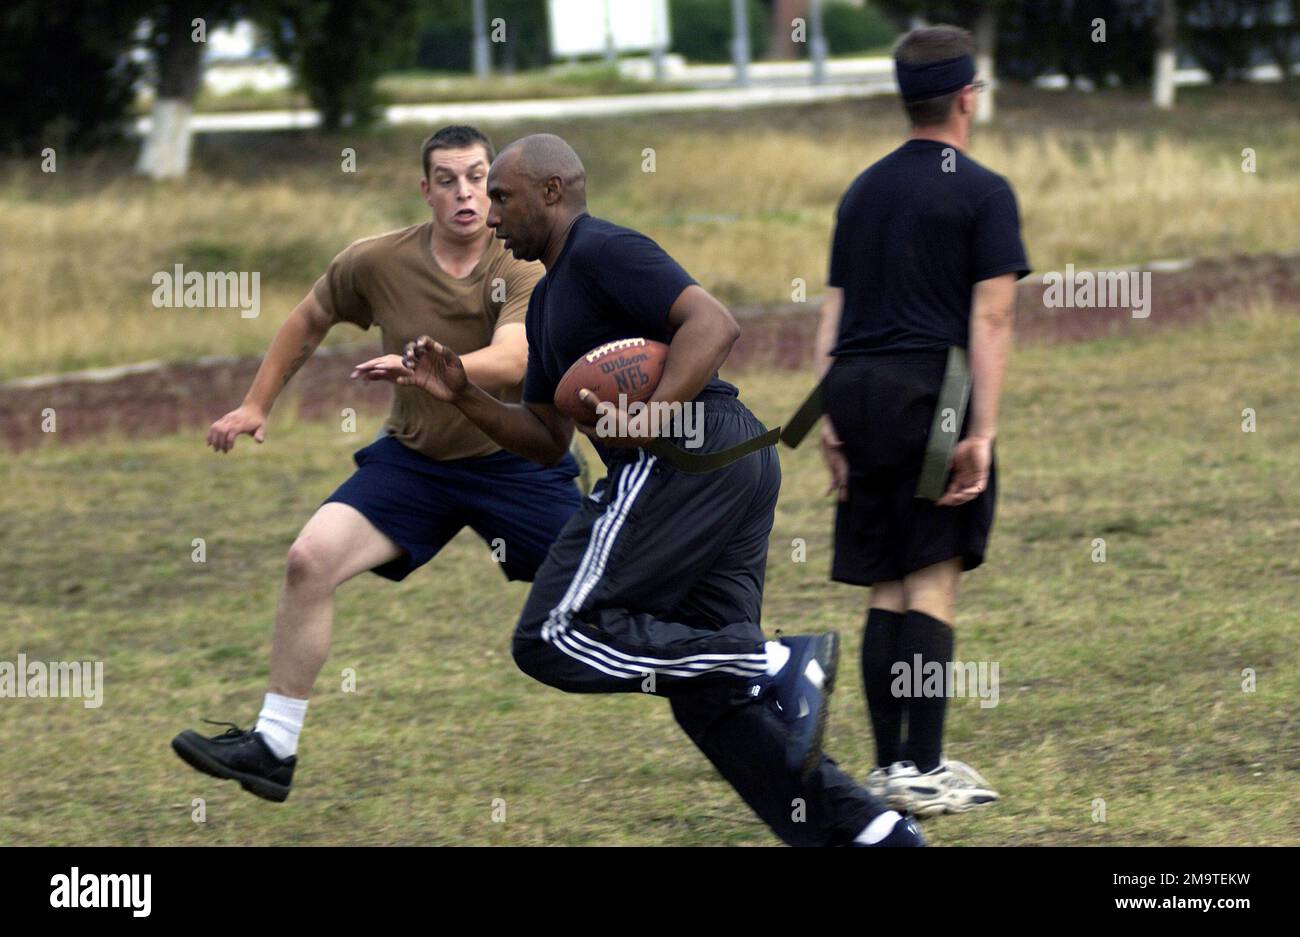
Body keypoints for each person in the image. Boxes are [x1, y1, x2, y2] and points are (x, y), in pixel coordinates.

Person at [386, 133, 923, 846]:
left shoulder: (607, 250)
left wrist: (659, 407)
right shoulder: (546, 304)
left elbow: (713, 322)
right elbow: (547, 437)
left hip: (690, 453)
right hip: (725, 462)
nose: (489, 214)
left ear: (552, 191)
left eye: (503, 197)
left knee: (551, 634)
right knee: (712, 702)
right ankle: (872, 831)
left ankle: (770, 659)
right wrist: (460, 394)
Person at [170, 126, 581, 803]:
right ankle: (273, 745)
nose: (465, 193)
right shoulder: (377, 262)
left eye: (478, 177)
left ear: (495, 186)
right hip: (416, 463)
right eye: (447, 180)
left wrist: (429, 368)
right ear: (425, 190)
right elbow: (310, 317)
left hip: (515, 461)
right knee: (309, 559)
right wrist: (255, 404)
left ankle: (758, 665)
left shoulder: (519, 264)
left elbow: (514, 360)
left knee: (607, 590)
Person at [815, 25, 1030, 817]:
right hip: (933, 390)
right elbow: (995, 318)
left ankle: (891, 768)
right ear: (968, 97)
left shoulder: (862, 191)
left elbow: (831, 318)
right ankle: (927, 768)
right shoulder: (983, 190)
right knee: (934, 576)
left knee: (887, 580)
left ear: (906, 99)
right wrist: (982, 430)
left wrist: (828, 421)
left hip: (856, 392)